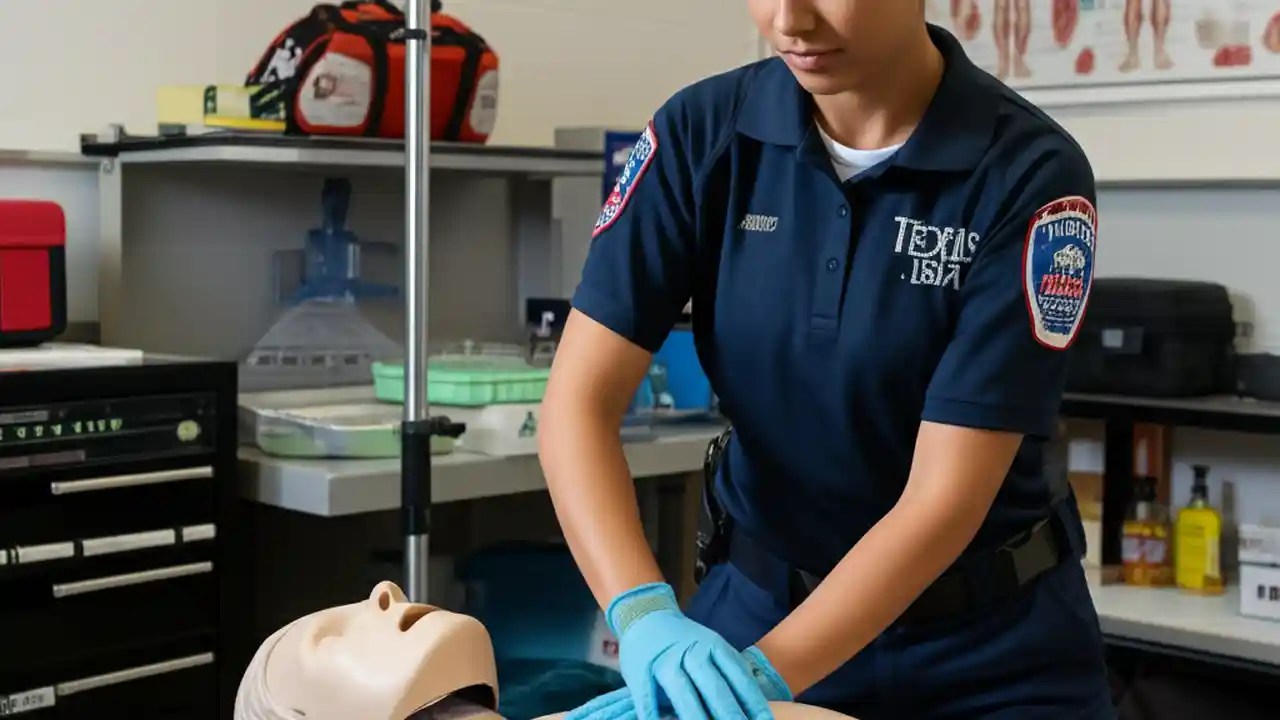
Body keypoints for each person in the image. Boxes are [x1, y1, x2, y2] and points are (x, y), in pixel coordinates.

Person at [538, 2, 1110, 719]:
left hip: (988, 651)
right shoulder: (702, 135)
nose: (789, 20)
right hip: (757, 609)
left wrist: (764, 682)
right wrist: (645, 616)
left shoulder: (1027, 171)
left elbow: (944, 500)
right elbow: (576, 409)